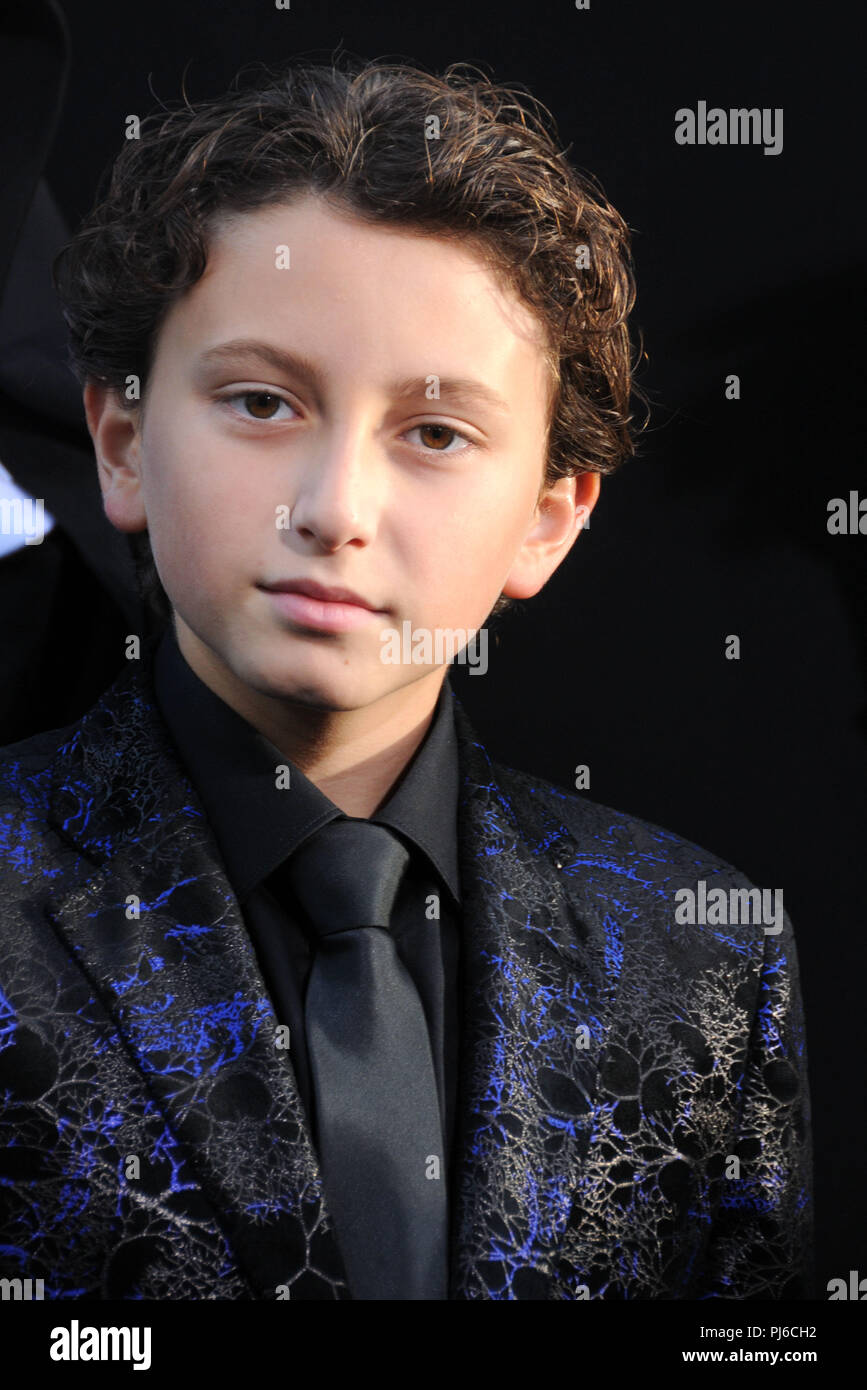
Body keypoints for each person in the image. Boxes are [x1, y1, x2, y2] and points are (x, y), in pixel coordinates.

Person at [0, 55, 811, 1300]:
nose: (336, 510)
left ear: (549, 514)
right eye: (263, 402)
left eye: (436, 432)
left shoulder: (701, 955)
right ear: (120, 441)